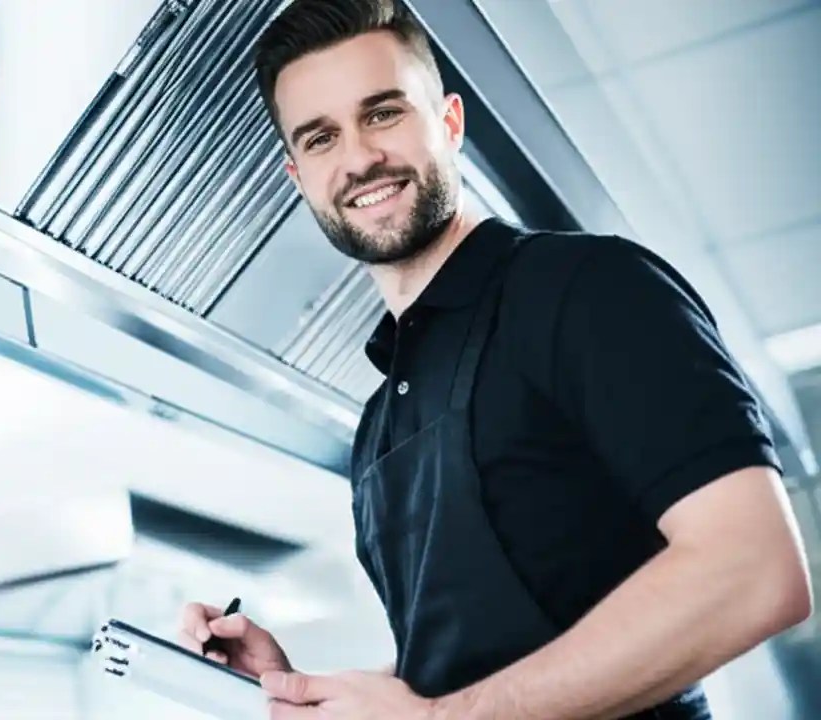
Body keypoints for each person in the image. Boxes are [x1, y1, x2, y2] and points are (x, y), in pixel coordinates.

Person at [176, 1, 814, 718]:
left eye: (383, 113)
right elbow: (473, 670)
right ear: (298, 176)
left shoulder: (586, 289)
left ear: (449, 122)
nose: (358, 158)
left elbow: (755, 569)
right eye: (321, 138)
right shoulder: (381, 423)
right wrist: (299, 690)